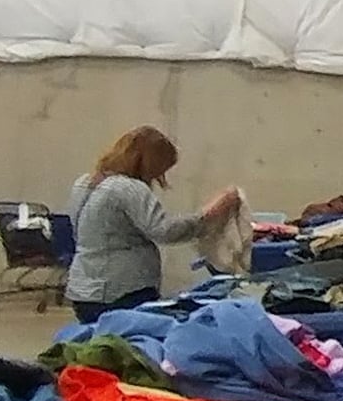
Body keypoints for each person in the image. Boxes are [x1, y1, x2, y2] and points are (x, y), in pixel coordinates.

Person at [66, 126, 239, 324]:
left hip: (82, 290)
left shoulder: (83, 183)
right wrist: (208, 214)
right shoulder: (129, 188)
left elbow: (77, 229)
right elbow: (164, 231)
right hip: (119, 292)